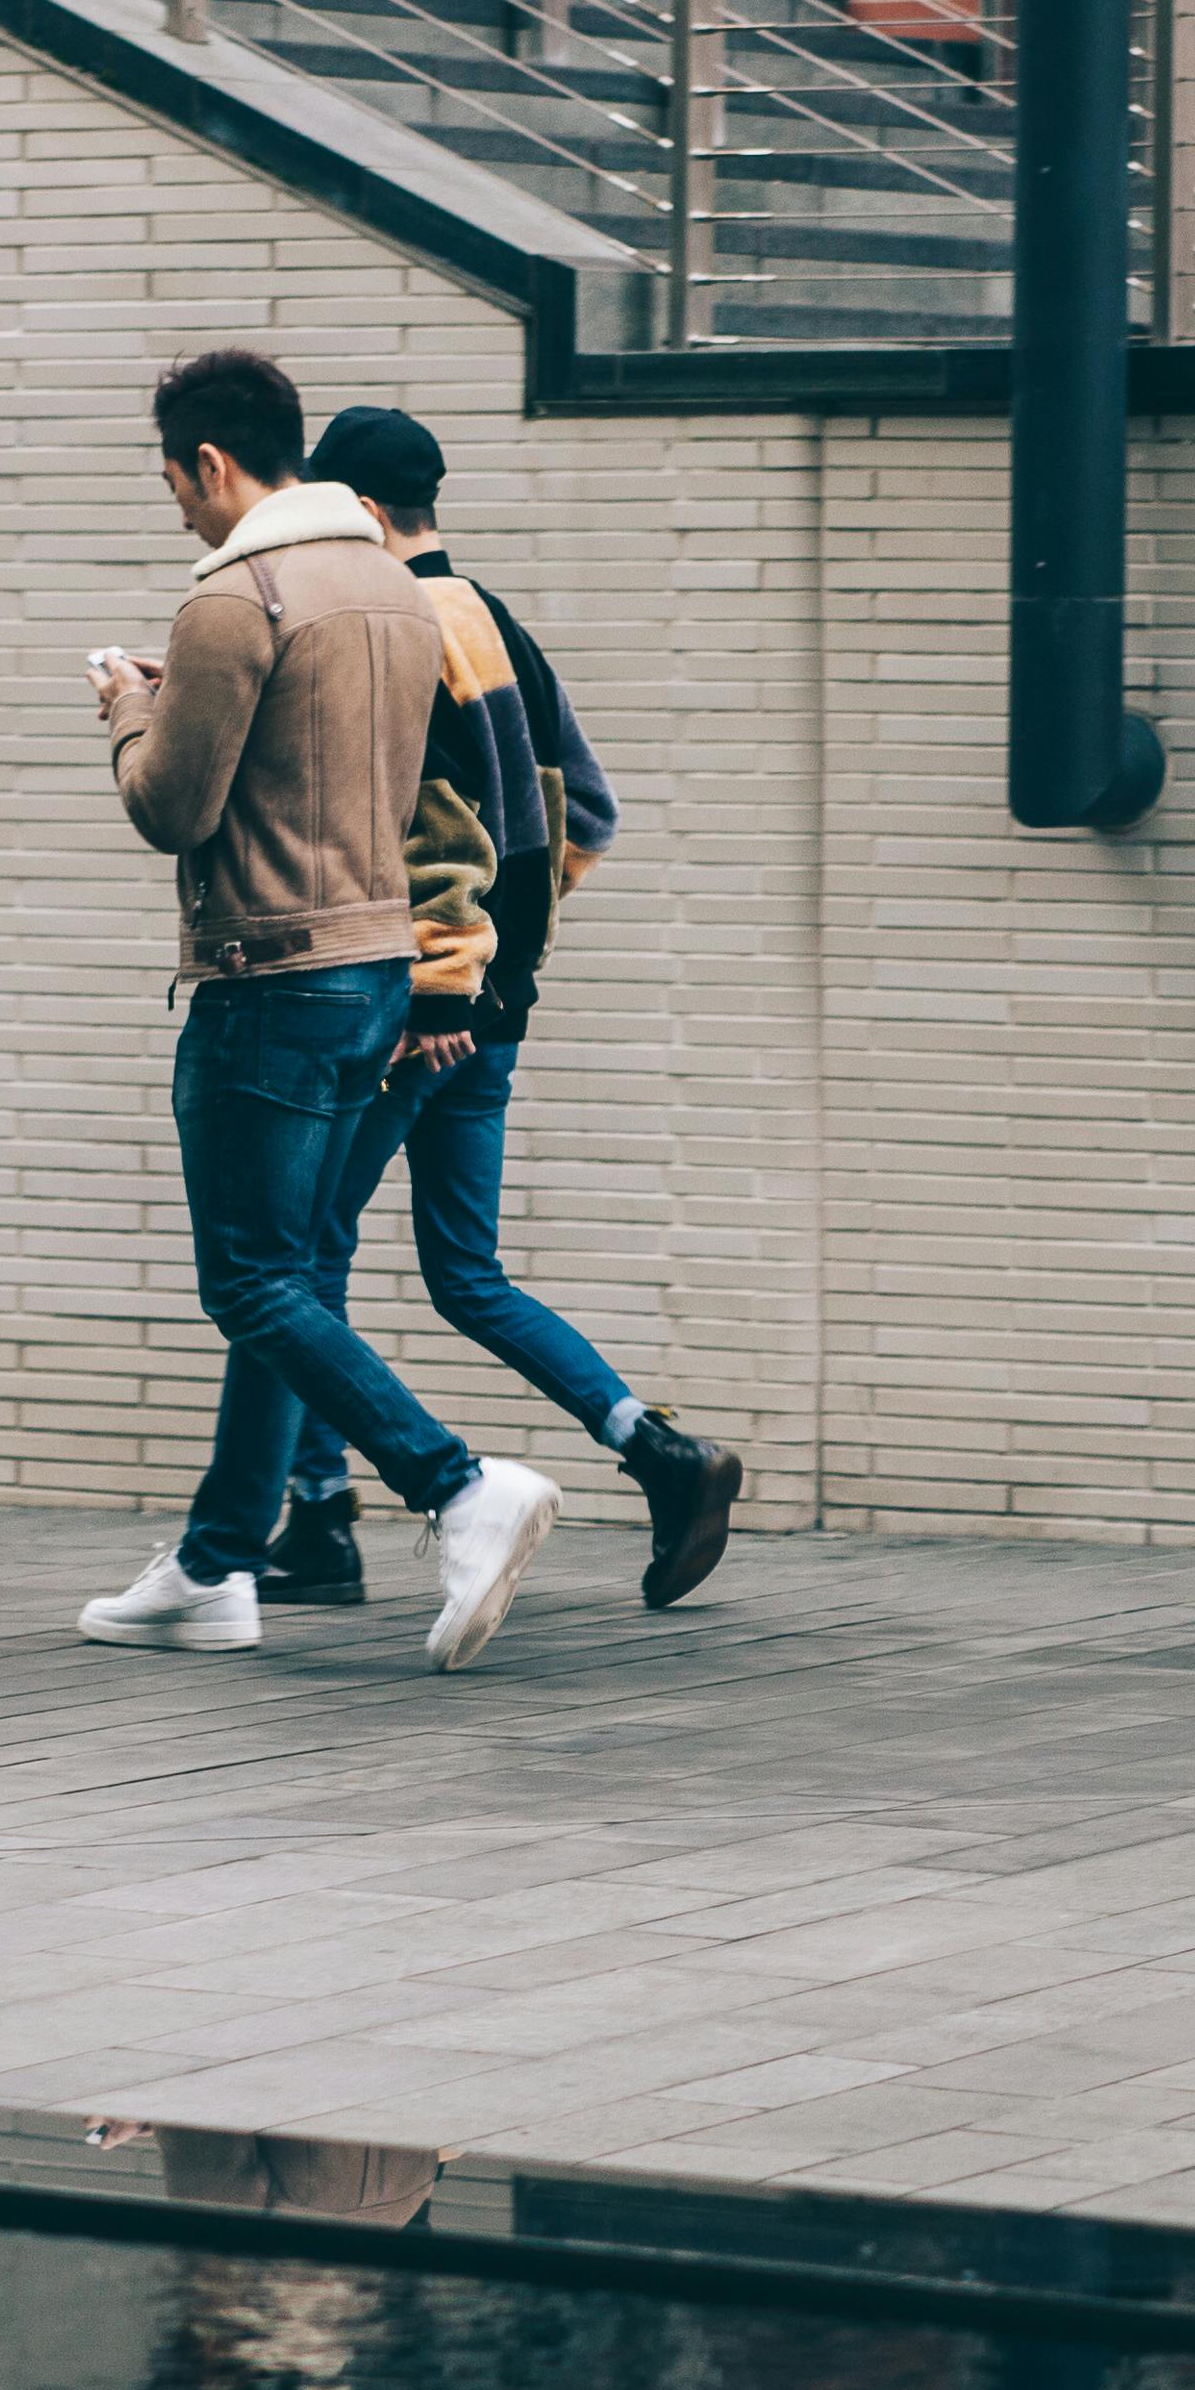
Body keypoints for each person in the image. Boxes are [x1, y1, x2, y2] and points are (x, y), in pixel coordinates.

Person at [74, 349, 562, 1671]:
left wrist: (130, 715)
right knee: (284, 1275)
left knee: (249, 1278)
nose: (177, 506)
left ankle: (459, 1485)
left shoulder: (237, 600)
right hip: (375, 973)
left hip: (267, 981)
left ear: (215, 465)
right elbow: (370, 776)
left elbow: (174, 809)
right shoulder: (393, 592)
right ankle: (217, 1565)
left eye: (176, 480)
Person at [243, 405, 743, 1614]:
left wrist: (445, 984)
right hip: (482, 1011)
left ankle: (318, 1519)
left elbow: (456, 826)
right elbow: (586, 819)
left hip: (425, 1013)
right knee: (465, 1274)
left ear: (358, 510)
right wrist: (505, 978)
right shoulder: (498, 618)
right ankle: (658, 1451)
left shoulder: (407, 624)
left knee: (289, 1267)